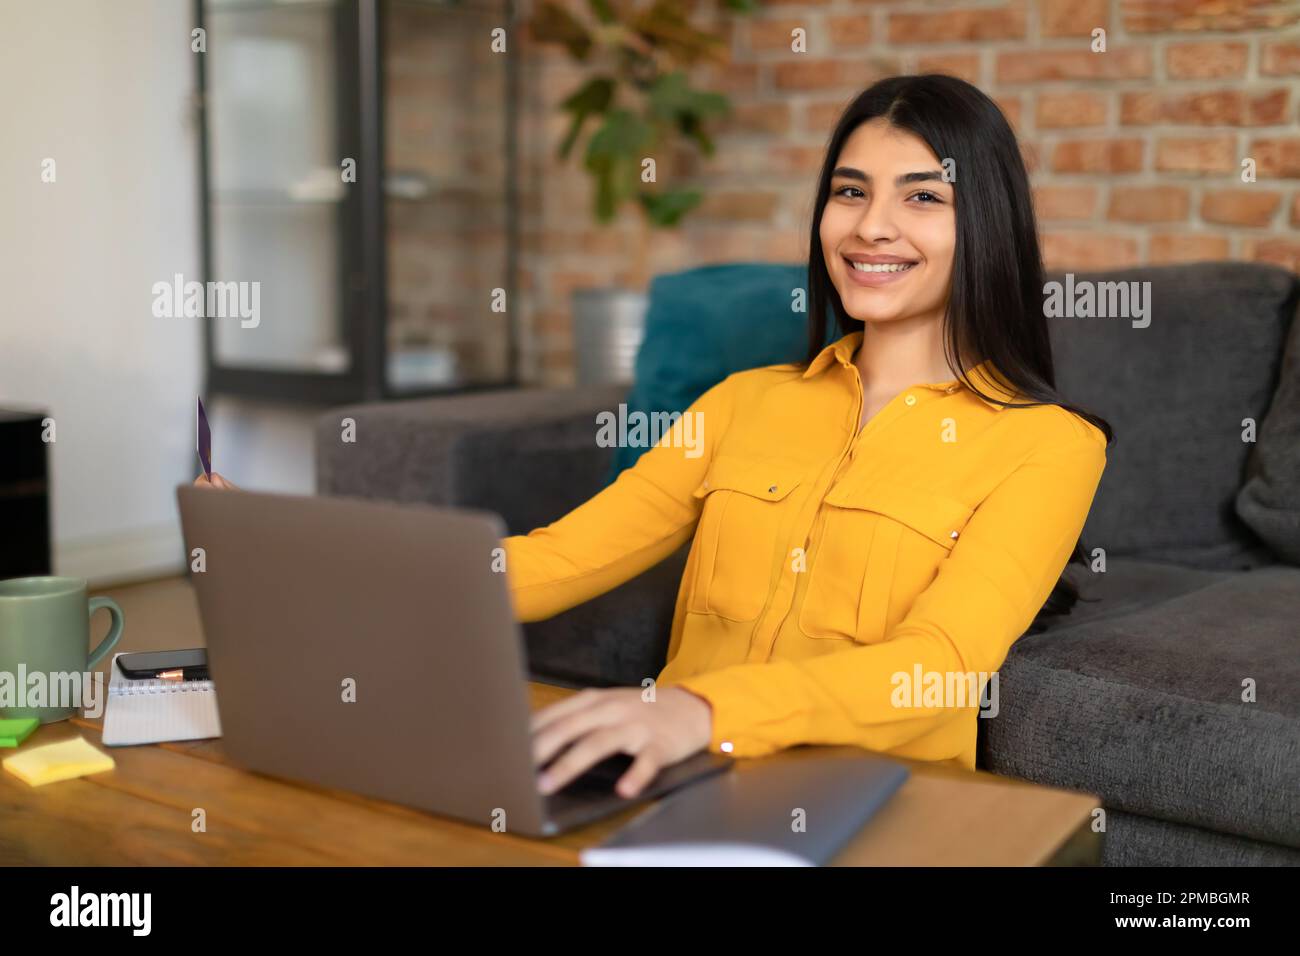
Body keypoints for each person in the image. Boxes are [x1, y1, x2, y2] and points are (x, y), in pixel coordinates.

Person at [199, 74, 1112, 802]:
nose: (871, 225)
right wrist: (308, 562)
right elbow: (561, 558)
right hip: (681, 776)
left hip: (883, 794)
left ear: (983, 223)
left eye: (922, 197)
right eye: (849, 192)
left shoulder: (1050, 445)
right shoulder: (745, 403)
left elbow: (943, 667)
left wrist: (697, 709)